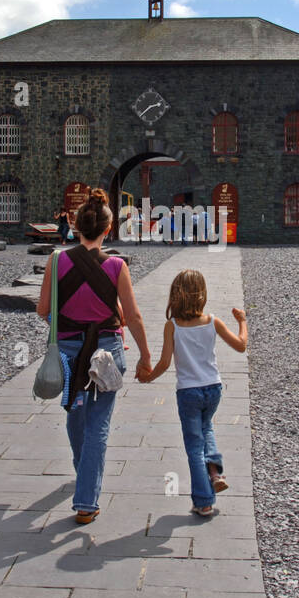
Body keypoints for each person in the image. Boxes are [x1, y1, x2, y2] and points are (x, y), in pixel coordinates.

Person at [36, 188, 151, 524]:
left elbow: (44, 310)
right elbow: (133, 315)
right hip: (108, 350)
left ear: (75, 227)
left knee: (75, 412)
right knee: (98, 423)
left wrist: (69, 326)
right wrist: (146, 354)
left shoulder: (57, 261)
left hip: (70, 350)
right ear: (107, 230)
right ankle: (86, 501)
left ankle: (82, 471)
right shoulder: (116, 265)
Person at [138, 270, 247, 516]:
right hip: (214, 388)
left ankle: (203, 500)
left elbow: (165, 363)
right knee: (207, 428)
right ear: (202, 294)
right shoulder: (212, 321)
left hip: (188, 392)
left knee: (194, 446)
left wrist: (148, 378)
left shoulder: (172, 326)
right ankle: (215, 473)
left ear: (175, 296)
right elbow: (241, 346)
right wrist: (242, 320)